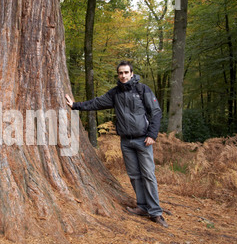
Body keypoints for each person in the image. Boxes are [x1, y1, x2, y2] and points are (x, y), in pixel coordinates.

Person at [65, 61, 168, 228]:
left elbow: (156, 112)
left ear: (132, 73)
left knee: (148, 175)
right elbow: (96, 103)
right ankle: (142, 207)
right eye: (120, 73)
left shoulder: (143, 90)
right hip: (126, 141)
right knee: (134, 175)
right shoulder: (115, 93)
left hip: (143, 140)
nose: (123, 76)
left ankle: (155, 212)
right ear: (118, 75)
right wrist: (76, 105)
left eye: (126, 72)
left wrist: (152, 134)